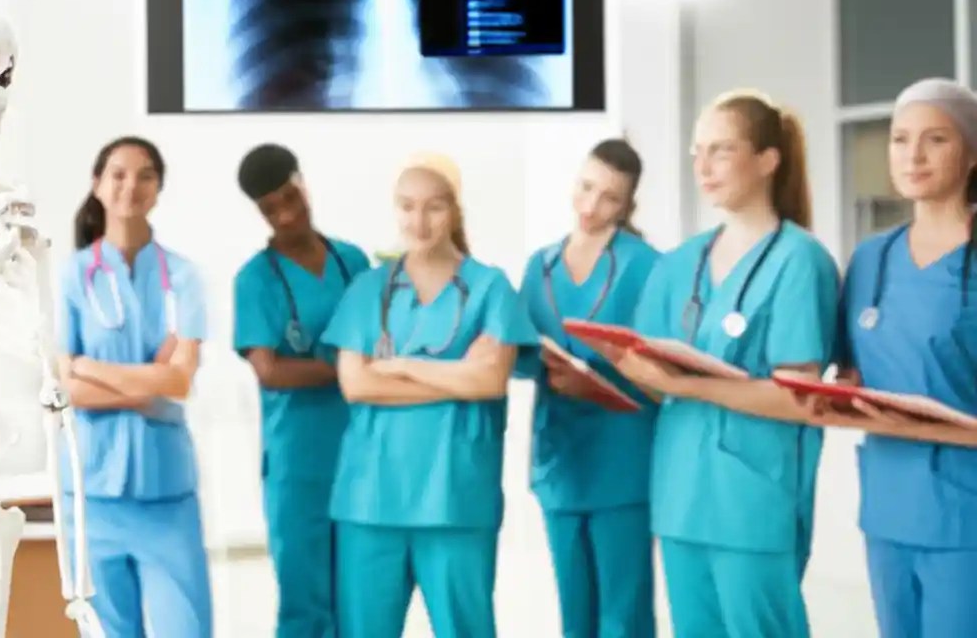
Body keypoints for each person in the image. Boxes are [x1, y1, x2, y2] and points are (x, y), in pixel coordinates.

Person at [596, 90, 840, 637]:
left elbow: (798, 397)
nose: (703, 167)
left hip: (753, 500)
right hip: (681, 496)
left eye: (721, 151)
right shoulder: (682, 263)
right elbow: (655, 377)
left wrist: (692, 386)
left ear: (767, 160)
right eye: (696, 152)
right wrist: (630, 372)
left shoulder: (800, 261)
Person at [319, 153, 538, 638]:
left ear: (455, 211)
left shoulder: (489, 287)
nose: (418, 221)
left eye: (434, 207)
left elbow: (489, 382)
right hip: (370, 502)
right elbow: (356, 385)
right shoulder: (368, 290)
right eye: (407, 206)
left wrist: (401, 367)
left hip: (454, 498)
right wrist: (454, 373)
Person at [789, 78, 977, 637]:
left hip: (966, 515)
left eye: (935, 139)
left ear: (969, 153)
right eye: (899, 139)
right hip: (888, 509)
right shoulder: (871, 259)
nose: (913, 155)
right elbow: (850, 377)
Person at [57, 136, 212, 638]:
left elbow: (181, 380)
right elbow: (65, 389)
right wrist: (148, 387)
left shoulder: (182, 276)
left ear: (159, 188)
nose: (131, 185)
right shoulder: (72, 277)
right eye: (119, 173)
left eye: (145, 175)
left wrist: (89, 366)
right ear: (98, 185)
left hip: (167, 495)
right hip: (91, 494)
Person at [516, 139, 660, 638]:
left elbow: (661, 368)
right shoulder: (541, 266)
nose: (591, 206)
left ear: (628, 205)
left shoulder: (647, 266)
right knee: (574, 617)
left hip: (622, 462)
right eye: (585, 187)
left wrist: (598, 374)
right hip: (561, 462)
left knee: (623, 616)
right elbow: (520, 352)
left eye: (609, 198)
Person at [232, 144, 371, 638]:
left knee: (363, 602)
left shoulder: (351, 260)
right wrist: (347, 369)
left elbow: (379, 338)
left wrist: (348, 366)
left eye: (291, 195)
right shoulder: (255, 279)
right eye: (272, 207)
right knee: (303, 602)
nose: (286, 213)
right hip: (297, 466)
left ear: (302, 182)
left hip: (360, 457)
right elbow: (269, 370)